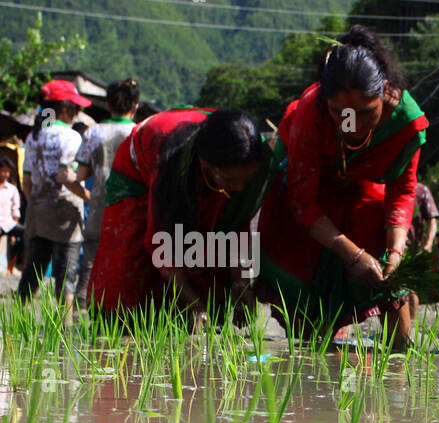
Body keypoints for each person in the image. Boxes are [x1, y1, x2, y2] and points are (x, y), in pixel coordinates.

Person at [255, 25, 428, 349]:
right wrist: (352, 254)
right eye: (341, 114)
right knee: (307, 312)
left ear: (385, 91)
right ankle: (312, 383)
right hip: (306, 192)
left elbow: (402, 190)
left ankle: (400, 372)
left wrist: (395, 251)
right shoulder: (310, 113)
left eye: (365, 113)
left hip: (361, 187)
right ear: (325, 102)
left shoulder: (405, 120)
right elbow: (302, 203)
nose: (353, 126)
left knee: (391, 281)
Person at [86, 108, 272, 320]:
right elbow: (159, 241)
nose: (240, 188)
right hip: (139, 176)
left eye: (245, 180)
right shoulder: (169, 162)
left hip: (203, 168)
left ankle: (195, 315)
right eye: (231, 180)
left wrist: (240, 284)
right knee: (132, 276)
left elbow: (237, 224)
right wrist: (194, 303)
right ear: (205, 164)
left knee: (209, 249)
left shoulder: (243, 163)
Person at [65, 78, 140, 307]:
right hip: (133, 216)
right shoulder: (139, 133)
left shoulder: (93, 133)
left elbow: (78, 176)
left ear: (108, 105)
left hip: (100, 212)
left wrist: (88, 195)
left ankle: (79, 325)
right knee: (130, 273)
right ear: (135, 105)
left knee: (89, 272)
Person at [17, 80, 90, 310]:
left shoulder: (34, 137)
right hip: (64, 213)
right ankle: (64, 331)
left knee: (32, 270)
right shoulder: (71, 137)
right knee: (65, 275)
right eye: (76, 108)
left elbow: (26, 181)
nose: (77, 113)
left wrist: (34, 202)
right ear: (66, 108)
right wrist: (90, 197)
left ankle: (13, 324)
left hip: (38, 210)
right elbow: (67, 178)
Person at [0, 155, 21, 274]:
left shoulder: (12, 189)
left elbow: (16, 210)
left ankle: (12, 266)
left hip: (9, 224)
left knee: (26, 235)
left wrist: (14, 224)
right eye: (3, 171)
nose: (6, 174)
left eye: (8, 171)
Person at [410, 181, 438, 252]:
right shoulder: (386, 184)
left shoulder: (421, 190)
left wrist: (429, 243)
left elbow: (432, 219)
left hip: (412, 247)